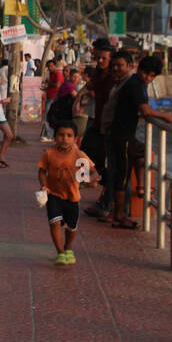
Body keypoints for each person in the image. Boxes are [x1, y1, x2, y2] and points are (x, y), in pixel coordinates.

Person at [107, 54, 172, 228]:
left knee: (142, 152)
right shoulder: (136, 86)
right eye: (147, 74)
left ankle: (142, 186)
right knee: (122, 176)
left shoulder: (136, 84)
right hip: (123, 136)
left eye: (152, 76)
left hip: (123, 134)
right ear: (139, 70)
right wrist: (165, 115)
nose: (148, 78)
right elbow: (145, 110)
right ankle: (119, 216)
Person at [38, 121, 101, 267]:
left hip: (72, 197)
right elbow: (42, 171)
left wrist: (91, 180)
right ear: (55, 137)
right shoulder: (49, 154)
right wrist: (43, 185)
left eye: (69, 136)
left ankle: (68, 248)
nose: (64, 139)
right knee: (54, 222)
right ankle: (60, 252)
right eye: (61, 135)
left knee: (71, 227)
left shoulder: (79, 155)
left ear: (75, 139)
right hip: (53, 194)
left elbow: (93, 172)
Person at [79, 38, 117, 218]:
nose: (100, 61)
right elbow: (90, 86)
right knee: (84, 152)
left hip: (110, 127)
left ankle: (107, 203)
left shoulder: (113, 77)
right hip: (97, 123)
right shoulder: (98, 74)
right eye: (98, 58)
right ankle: (98, 182)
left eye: (104, 58)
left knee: (112, 166)